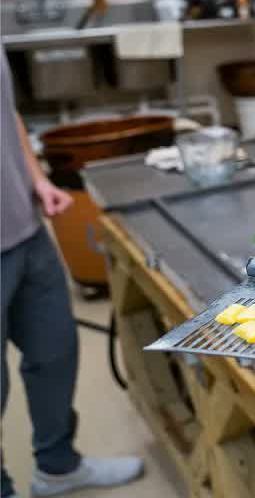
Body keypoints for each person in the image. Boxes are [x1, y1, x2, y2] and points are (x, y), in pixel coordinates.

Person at [1, 52, 144, 498]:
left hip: (26, 232)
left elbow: (9, 113)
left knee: (55, 351)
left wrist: (36, 178)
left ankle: (58, 465)